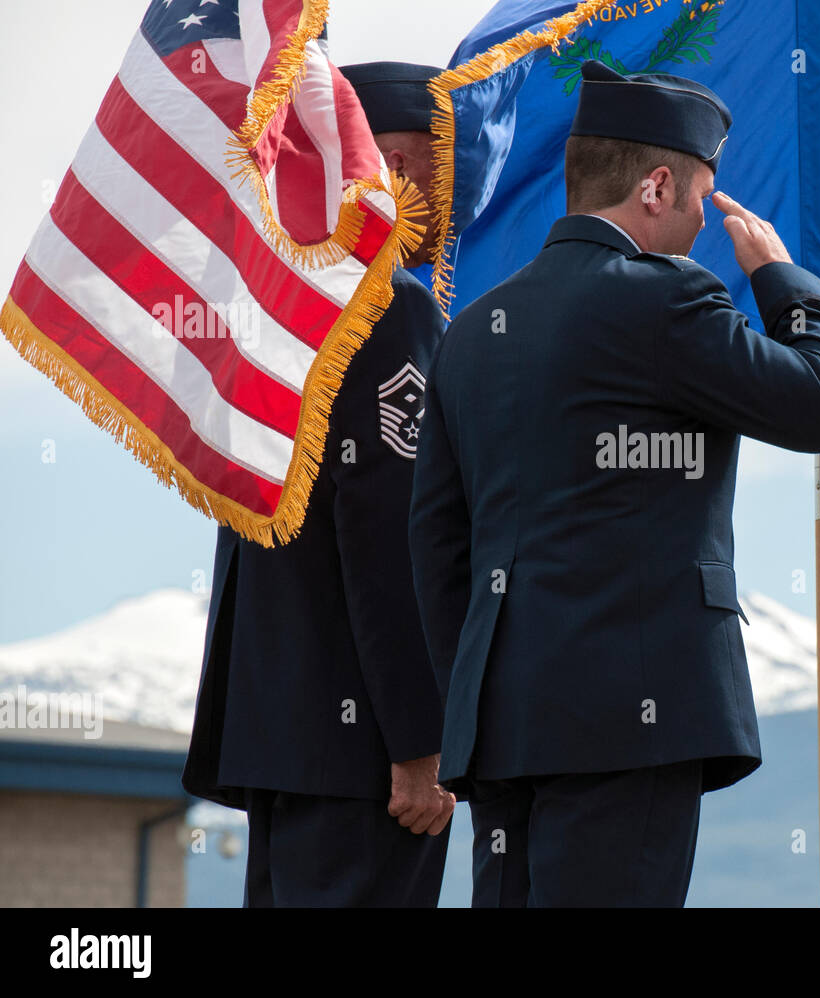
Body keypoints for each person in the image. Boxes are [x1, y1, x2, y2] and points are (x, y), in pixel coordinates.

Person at [408, 60, 820, 907]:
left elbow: (434, 543)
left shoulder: (469, 332)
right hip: (629, 722)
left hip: (502, 726)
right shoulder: (666, 299)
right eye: (700, 197)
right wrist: (781, 281)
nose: (703, 220)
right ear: (657, 185)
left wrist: (470, 699)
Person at [183, 62, 455, 907]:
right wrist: (417, 741)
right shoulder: (390, 307)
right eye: (437, 174)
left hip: (279, 731)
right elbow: (386, 534)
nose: (448, 202)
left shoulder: (269, 308)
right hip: (361, 753)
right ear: (394, 173)